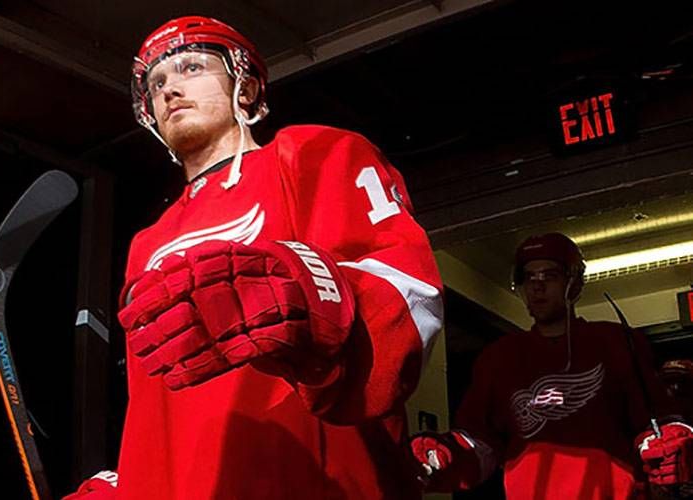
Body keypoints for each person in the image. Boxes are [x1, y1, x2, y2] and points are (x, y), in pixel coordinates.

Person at [67, 15, 444, 500]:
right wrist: (131, 484)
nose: (169, 90)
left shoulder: (315, 155)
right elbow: (153, 400)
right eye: (156, 83)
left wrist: (315, 300)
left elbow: (413, 300)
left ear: (245, 88)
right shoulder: (148, 242)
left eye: (191, 68)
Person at [409, 232, 693, 499]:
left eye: (550, 275)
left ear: (574, 283)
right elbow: (481, 443)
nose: (538, 285)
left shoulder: (616, 342)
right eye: (529, 277)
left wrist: (673, 440)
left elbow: (657, 422)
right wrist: (442, 455)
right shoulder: (499, 358)